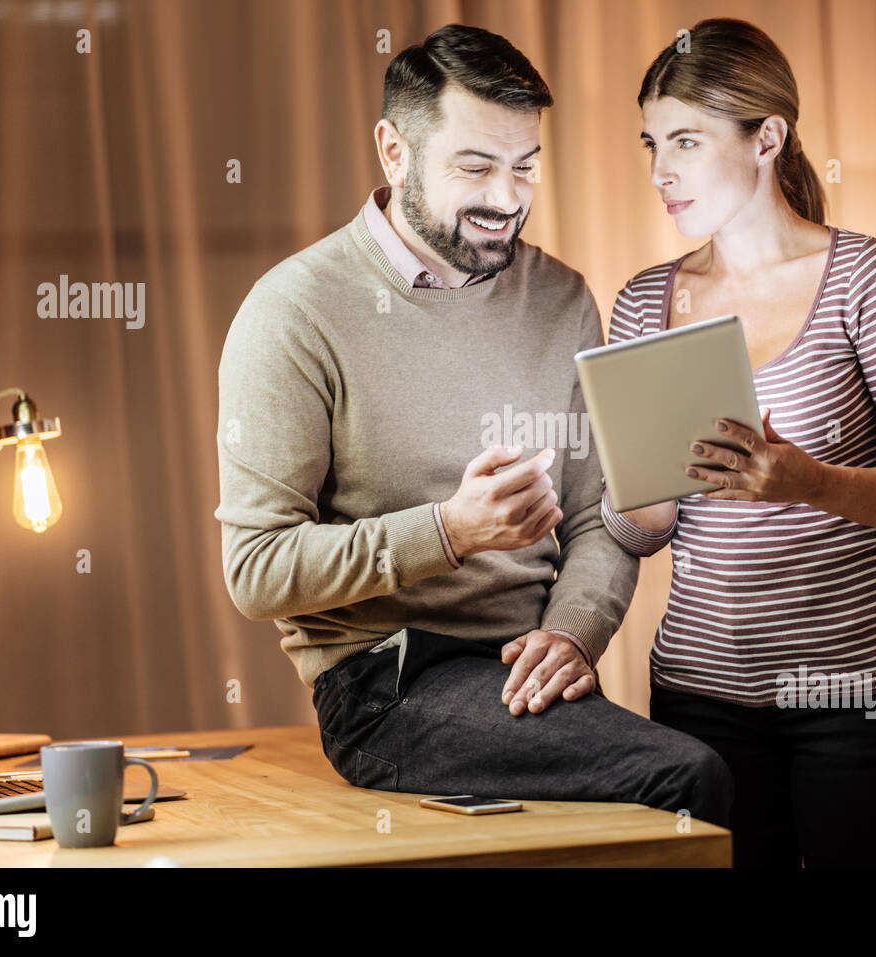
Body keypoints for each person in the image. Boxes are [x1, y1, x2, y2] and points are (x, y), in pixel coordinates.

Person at [215, 24, 733, 829]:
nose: (507, 196)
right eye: (476, 166)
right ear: (394, 151)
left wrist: (574, 633)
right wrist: (448, 531)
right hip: (384, 682)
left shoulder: (563, 299)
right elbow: (255, 568)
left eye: (526, 166)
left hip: (526, 668)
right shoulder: (294, 311)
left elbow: (607, 513)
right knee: (689, 777)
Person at [601, 18, 876, 866]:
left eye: (686, 141)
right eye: (652, 143)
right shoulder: (644, 302)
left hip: (858, 694)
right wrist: (643, 498)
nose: (661, 171)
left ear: (768, 137)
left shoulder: (866, 277)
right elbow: (631, 527)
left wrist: (810, 484)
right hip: (699, 698)